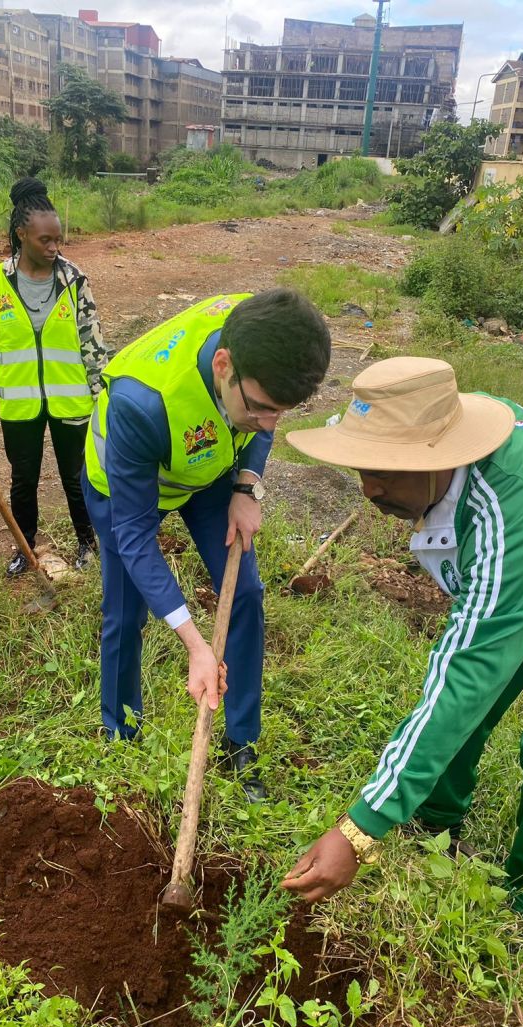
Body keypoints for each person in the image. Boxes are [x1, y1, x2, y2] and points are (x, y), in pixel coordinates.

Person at [282, 356, 523, 921]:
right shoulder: (445, 427)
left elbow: (464, 678)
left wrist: (361, 828)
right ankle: (436, 825)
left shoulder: (515, 517)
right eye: (365, 465)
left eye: (388, 468)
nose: (370, 486)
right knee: (466, 715)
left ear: (441, 456)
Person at [83, 288, 331, 800]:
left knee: (244, 594)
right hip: (128, 487)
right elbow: (134, 533)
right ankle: (121, 736)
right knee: (127, 613)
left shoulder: (260, 328)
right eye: (261, 408)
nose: (270, 425)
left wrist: (246, 484)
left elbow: (262, 422)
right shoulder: (142, 402)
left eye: (281, 413)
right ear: (223, 365)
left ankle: (241, 743)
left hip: (211, 469)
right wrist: (196, 645)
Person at [0, 177, 108, 575]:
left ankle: (87, 544)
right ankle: (24, 548)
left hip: (72, 401)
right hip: (19, 402)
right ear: (21, 234)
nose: (54, 248)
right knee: (23, 479)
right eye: (45, 240)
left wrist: (102, 397)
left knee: (76, 478)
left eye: (58, 240)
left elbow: (92, 342)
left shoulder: (73, 279)